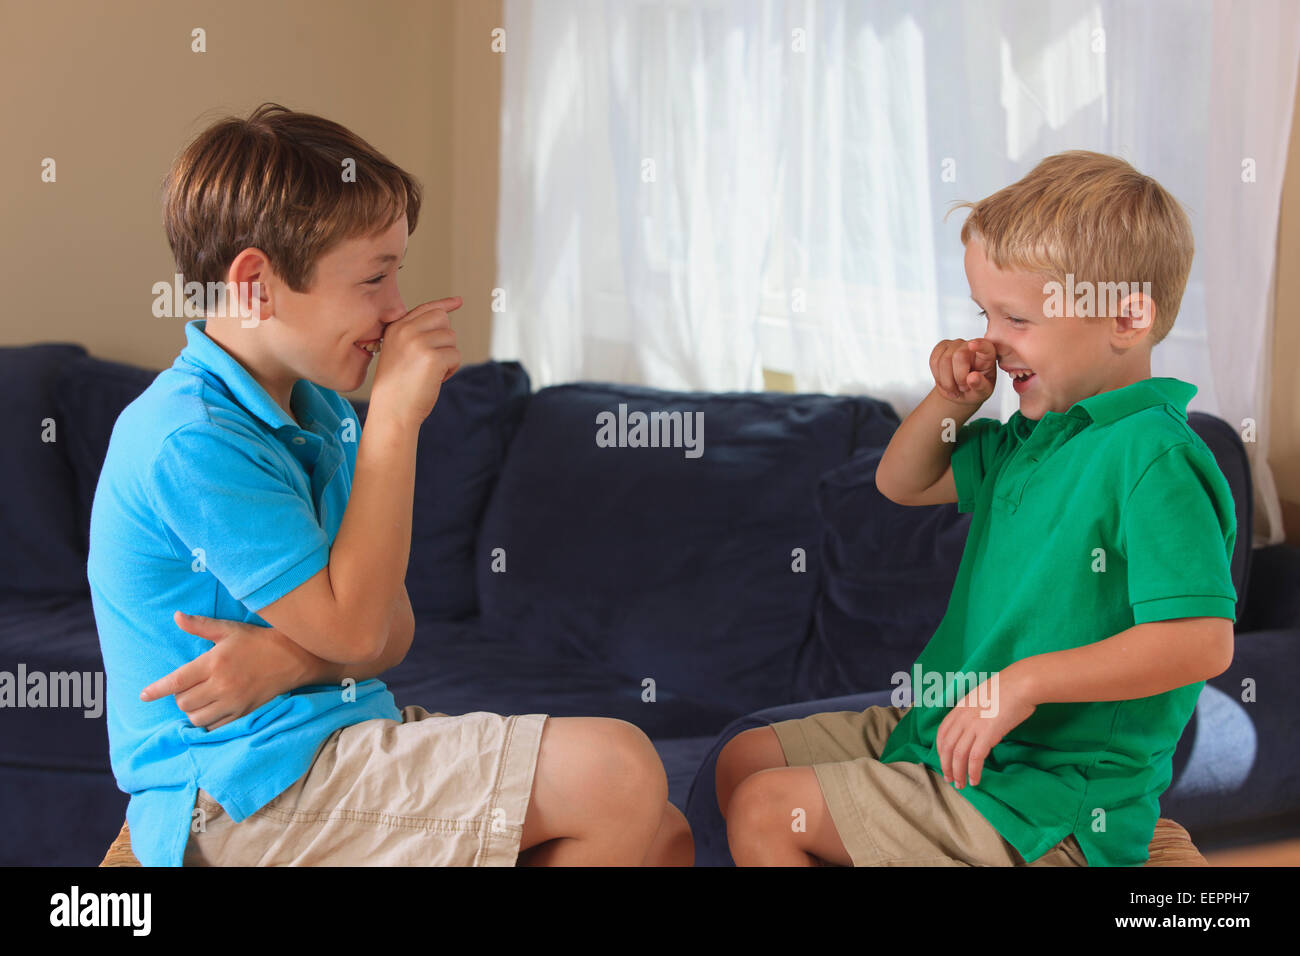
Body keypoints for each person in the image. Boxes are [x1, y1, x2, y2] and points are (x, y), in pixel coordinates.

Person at [88, 102, 692, 867]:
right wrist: (395, 422)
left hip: (331, 746)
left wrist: (290, 660)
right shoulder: (191, 439)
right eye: (374, 276)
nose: (397, 309)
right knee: (618, 772)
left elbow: (392, 626)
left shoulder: (317, 411)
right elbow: (359, 635)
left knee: (663, 837)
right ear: (255, 286)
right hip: (240, 793)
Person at [716, 150, 1237, 867]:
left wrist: (1026, 684)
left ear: (1126, 317)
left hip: (1045, 792)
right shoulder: (1032, 436)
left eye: (1016, 317)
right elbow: (902, 483)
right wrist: (953, 401)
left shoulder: (1153, 456)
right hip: (950, 733)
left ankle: (1117, 850)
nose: (990, 338)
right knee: (744, 760)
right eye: (983, 311)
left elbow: (1202, 642)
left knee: (768, 811)